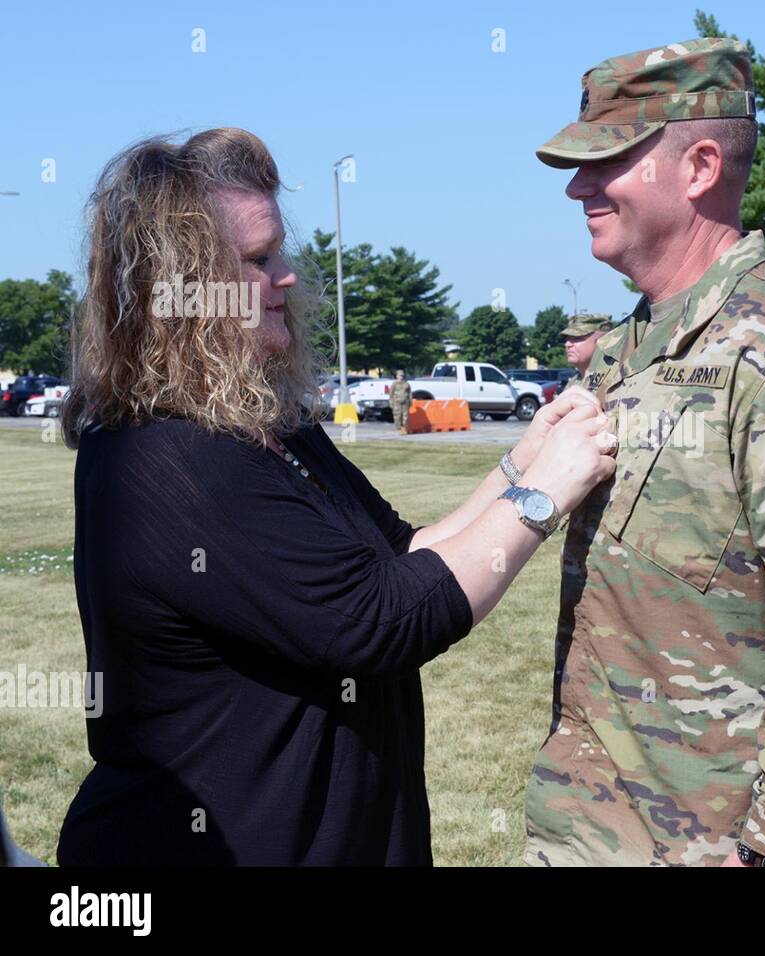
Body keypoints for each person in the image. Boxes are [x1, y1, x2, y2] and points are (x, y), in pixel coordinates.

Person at [55, 128, 615, 866]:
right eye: (258, 260)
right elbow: (380, 621)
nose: (288, 277)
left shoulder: (263, 423)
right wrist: (544, 497)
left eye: (279, 251)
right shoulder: (171, 456)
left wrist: (523, 460)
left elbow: (402, 554)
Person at [527, 38, 765, 868]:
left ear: (699, 166)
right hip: (590, 819)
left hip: (708, 840)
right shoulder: (631, 347)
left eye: (609, 162)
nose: (577, 187)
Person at [561, 312, 614, 385]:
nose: (567, 344)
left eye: (577, 338)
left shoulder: (616, 379)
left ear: (602, 340)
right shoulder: (573, 383)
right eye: (567, 339)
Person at [389, 369, 412, 434]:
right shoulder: (394, 384)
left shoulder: (406, 384)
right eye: (400, 375)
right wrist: (391, 403)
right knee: (397, 416)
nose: (401, 377)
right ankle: (399, 428)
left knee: (405, 416)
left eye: (402, 375)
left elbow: (409, 393)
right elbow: (391, 394)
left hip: (405, 402)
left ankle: (404, 428)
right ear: (397, 376)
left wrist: (410, 401)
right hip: (396, 402)